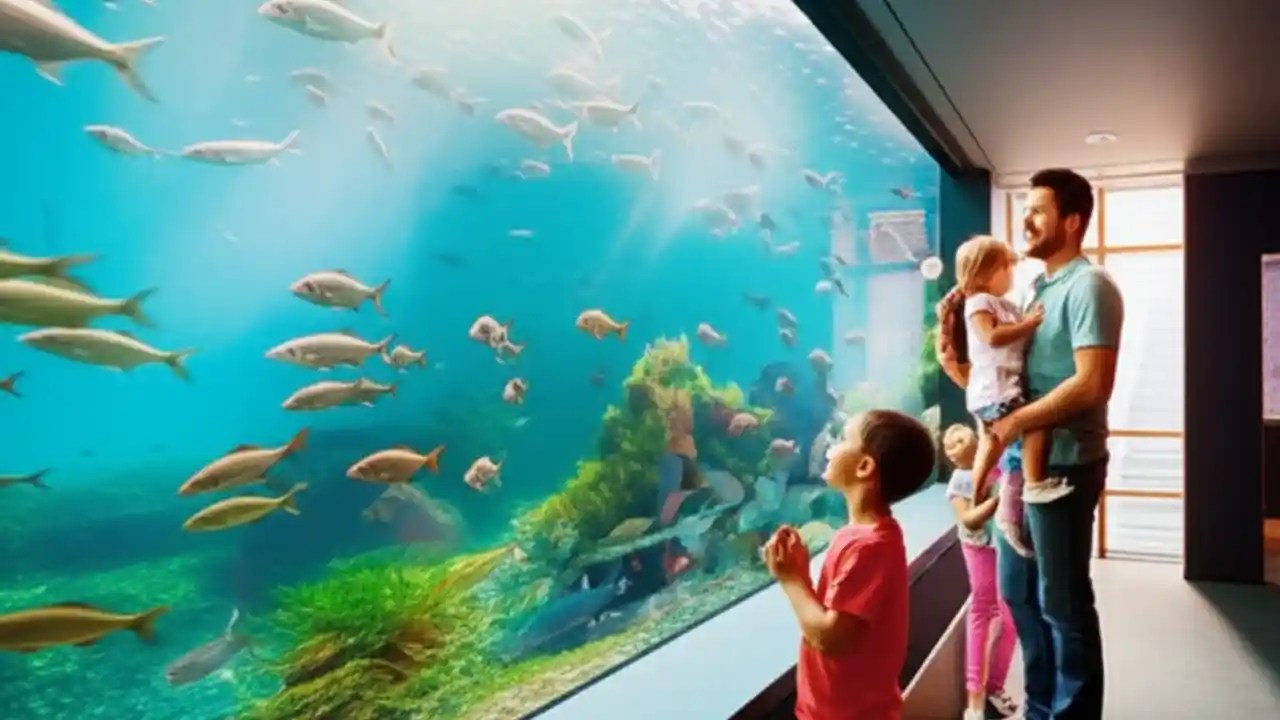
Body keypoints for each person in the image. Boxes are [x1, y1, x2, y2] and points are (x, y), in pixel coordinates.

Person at [937, 168, 1124, 720]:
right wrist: (959, 370)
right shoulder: (1036, 291)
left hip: (1064, 467)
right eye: (1026, 208)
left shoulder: (1089, 286)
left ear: (1072, 222)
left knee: (1063, 604)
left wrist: (1017, 424)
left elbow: (1092, 383)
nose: (1026, 219)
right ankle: (1040, 708)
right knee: (1017, 596)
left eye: (1039, 210)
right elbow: (1007, 380)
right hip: (1017, 463)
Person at [763, 409, 936, 720]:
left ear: (864, 466)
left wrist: (791, 581)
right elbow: (838, 614)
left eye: (843, 438)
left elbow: (831, 638)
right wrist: (801, 572)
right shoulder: (865, 535)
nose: (831, 445)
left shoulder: (869, 547)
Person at [954, 234, 1061, 558]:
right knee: (1033, 427)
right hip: (996, 392)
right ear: (986, 272)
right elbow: (992, 337)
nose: (1011, 275)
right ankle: (1027, 492)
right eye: (1006, 268)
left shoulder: (1004, 304)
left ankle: (980, 498)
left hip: (995, 390)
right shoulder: (979, 303)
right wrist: (1029, 324)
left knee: (992, 445)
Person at [942, 423, 1019, 720]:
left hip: (1003, 543)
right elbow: (970, 520)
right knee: (982, 609)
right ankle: (974, 698)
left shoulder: (999, 465)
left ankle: (994, 687)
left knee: (1011, 614)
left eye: (959, 439)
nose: (955, 446)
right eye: (949, 445)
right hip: (979, 547)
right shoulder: (959, 482)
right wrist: (1001, 497)